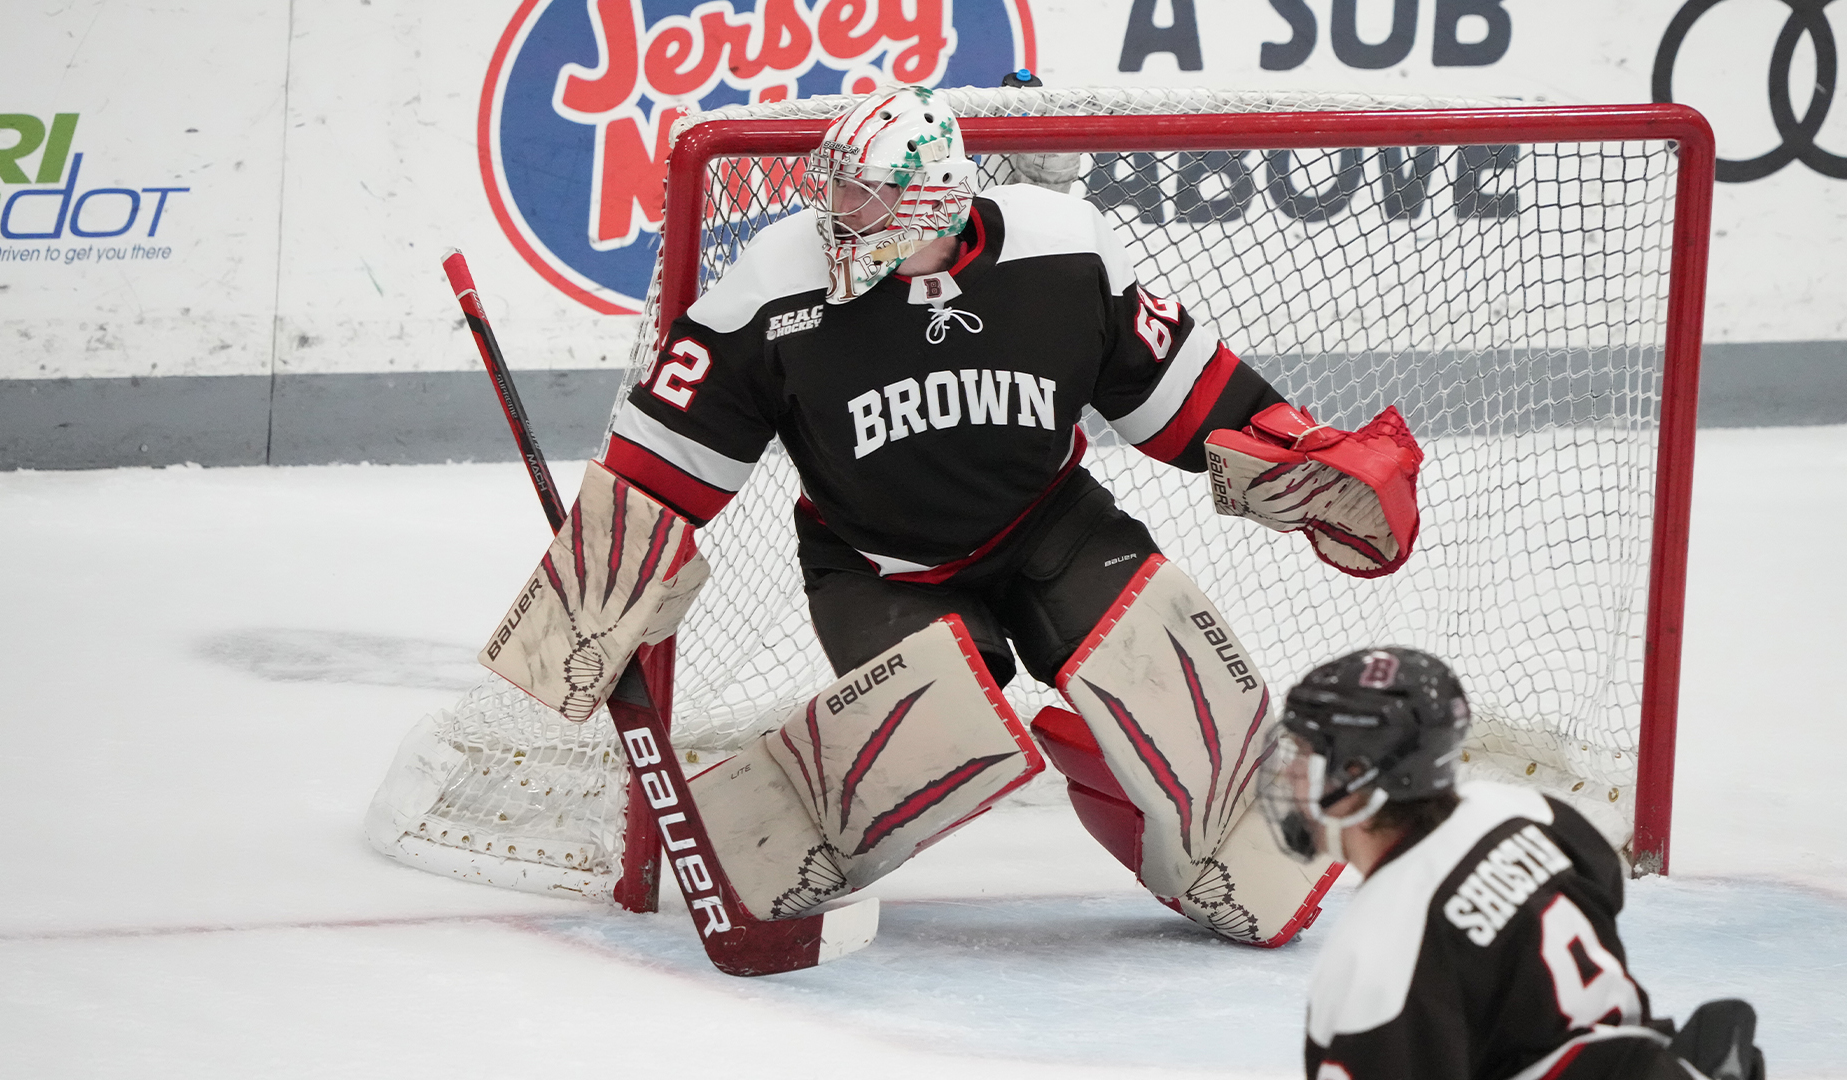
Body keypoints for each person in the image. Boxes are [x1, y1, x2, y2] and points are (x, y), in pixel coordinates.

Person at [485, 85, 1423, 945]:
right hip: (875, 565)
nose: (838, 215)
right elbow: (671, 452)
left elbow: (1178, 390)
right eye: (837, 191)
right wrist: (601, 585)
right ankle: (780, 844)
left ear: (935, 199)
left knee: (1182, 672)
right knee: (939, 714)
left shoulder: (1063, 247)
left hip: (1056, 528)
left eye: (866, 197)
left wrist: (1290, 448)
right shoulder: (778, 278)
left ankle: (1178, 833)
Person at [1259, 646, 1767, 1079]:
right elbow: (1601, 891)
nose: (1290, 775)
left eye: (1303, 755)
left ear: (1355, 773)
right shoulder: (1529, 812)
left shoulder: (1379, 951)